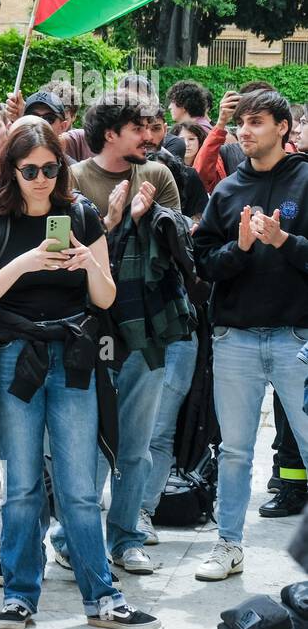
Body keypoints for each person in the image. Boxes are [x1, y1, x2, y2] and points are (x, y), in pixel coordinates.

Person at [0, 121, 161, 629]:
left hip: (73, 355)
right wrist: (26, 263)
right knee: (22, 485)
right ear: (11, 168)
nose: (41, 178)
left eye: (50, 168)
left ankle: (104, 596)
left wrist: (86, 262)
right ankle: (19, 595)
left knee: (77, 487)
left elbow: (106, 297)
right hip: (15, 357)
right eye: (29, 169)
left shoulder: (80, 214)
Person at [66, 93, 187, 577]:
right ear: (112, 134)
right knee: (90, 443)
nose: (151, 136)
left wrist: (149, 221)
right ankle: (72, 537)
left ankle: (126, 538)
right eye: (139, 128)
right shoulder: (73, 179)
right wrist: (113, 224)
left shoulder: (157, 174)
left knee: (135, 444)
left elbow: (183, 249)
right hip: (88, 329)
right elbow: (62, 256)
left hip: (147, 326)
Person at [191, 87, 308, 582]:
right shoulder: (227, 190)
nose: (245, 131)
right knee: (235, 450)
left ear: (283, 127)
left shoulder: (306, 179)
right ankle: (229, 544)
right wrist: (238, 249)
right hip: (235, 337)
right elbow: (202, 266)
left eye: (256, 122)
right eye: (241, 123)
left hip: (296, 336)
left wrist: (284, 241)